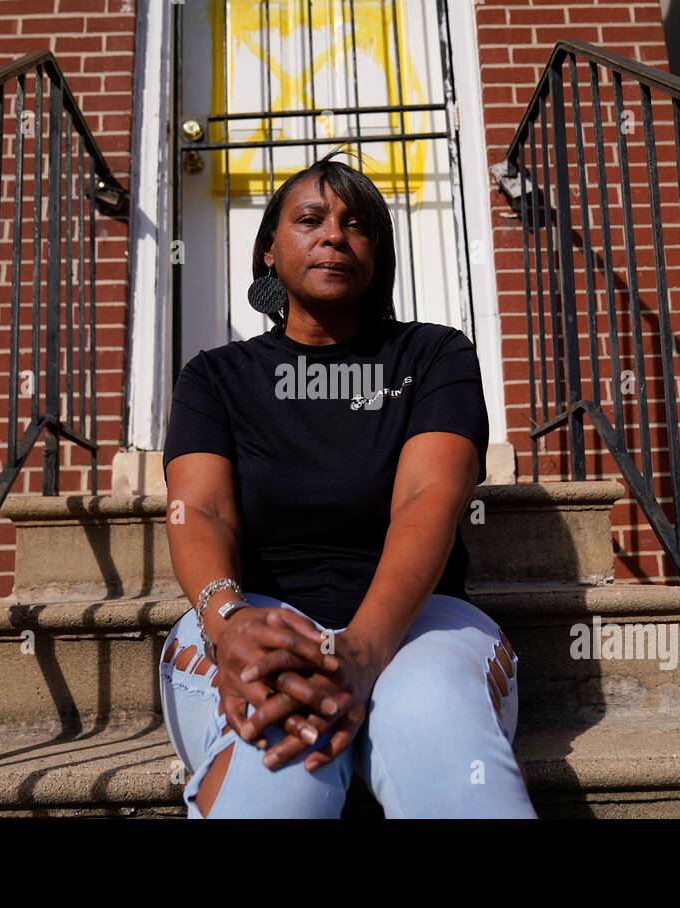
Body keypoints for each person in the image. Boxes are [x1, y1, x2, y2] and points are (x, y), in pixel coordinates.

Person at [159, 150, 537, 818]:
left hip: (421, 623)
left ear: (376, 253)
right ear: (268, 250)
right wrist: (230, 621)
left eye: (357, 224)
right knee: (277, 760)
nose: (335, 234)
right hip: (258, 615)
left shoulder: (434, 356)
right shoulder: (215, 377)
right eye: (310, 219)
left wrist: (360, 651)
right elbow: (203, 512)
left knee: (439, 736)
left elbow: (430, 501)